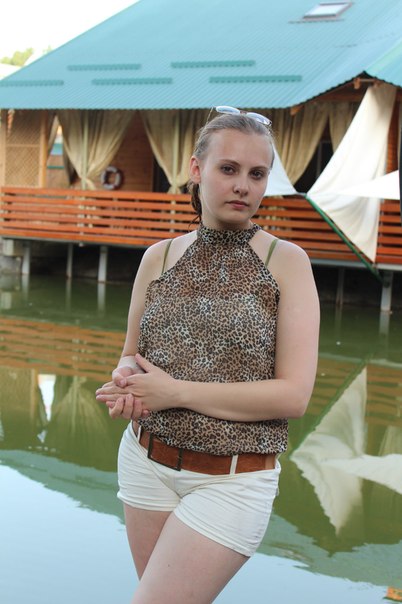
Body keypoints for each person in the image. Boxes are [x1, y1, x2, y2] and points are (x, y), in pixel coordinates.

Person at [95, 106, 320, 604]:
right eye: (228, 169)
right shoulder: (159, 256)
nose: (243, 186)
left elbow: (294, 396)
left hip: (233, 481)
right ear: (197, 170)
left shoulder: (286, 262)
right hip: (145, 462)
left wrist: (174, 392)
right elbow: (131, 353)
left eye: (257, 174)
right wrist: (126, 380)